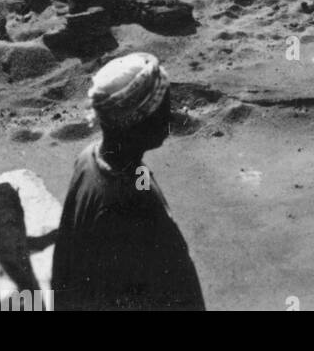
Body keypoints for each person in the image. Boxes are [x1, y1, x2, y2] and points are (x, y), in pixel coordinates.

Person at [52, 52, 206, 312]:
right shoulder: (125, 206)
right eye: (163, 107)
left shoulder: (90, 159)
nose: (171, 115)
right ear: (141, 120)